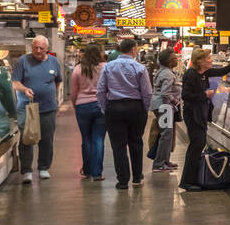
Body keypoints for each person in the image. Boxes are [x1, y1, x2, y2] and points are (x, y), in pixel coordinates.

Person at [178, 48, 230, 191]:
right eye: (209, 58)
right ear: (200, 61)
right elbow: (186, 96)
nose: (211, 60)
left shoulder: (204, 72)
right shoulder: (191, 74)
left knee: (199, 145)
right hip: (193, 115)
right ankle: (187, 182)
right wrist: (205, 95)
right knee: (196, 147)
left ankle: (193, 178)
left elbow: (221, 71)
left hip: (201, 114)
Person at [96, 38, 153, 190]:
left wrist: (104, 108)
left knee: (118, 146)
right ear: (133, 50)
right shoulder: (139, 68)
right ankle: (136, 177)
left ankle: (122, 181)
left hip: (114, 108)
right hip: (135, 108)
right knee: (136, 142)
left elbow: (101, 90)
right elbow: (147, 93)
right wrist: (145, 109)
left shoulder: (108, 67)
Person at [11, 35, 62, 182]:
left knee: (47, 140)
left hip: (48, 108)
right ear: (31, 47)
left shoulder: (54, 62)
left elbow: (57, 82)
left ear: (47, 48)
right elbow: (15, 82)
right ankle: (26, 170)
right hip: (27, 107)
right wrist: (25, 89)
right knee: (27, 139)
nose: (38, 51)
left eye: (41, 48)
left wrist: (51, 95)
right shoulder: (23, 61)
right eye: (35, 48)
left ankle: (43, 167)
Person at [70, 44, 107, 181]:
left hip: (82, 106)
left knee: (86, 139)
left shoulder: (78, 69)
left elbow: (73, 92)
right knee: (98, 139)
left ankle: (87, 170)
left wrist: (75, 105)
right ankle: (97, 173)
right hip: (101, 106)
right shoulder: (105, 68)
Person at [150, 50, 181, 173]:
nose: (176, 60)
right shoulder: (168, 74)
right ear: (169, 61)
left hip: (162, 106)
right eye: (174, 58)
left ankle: (165, 160)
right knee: (166, 135)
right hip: (164, 106)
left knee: (167, 134)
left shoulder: (163, 71)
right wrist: (175, 102)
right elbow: (165, 94)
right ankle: (159, 164)